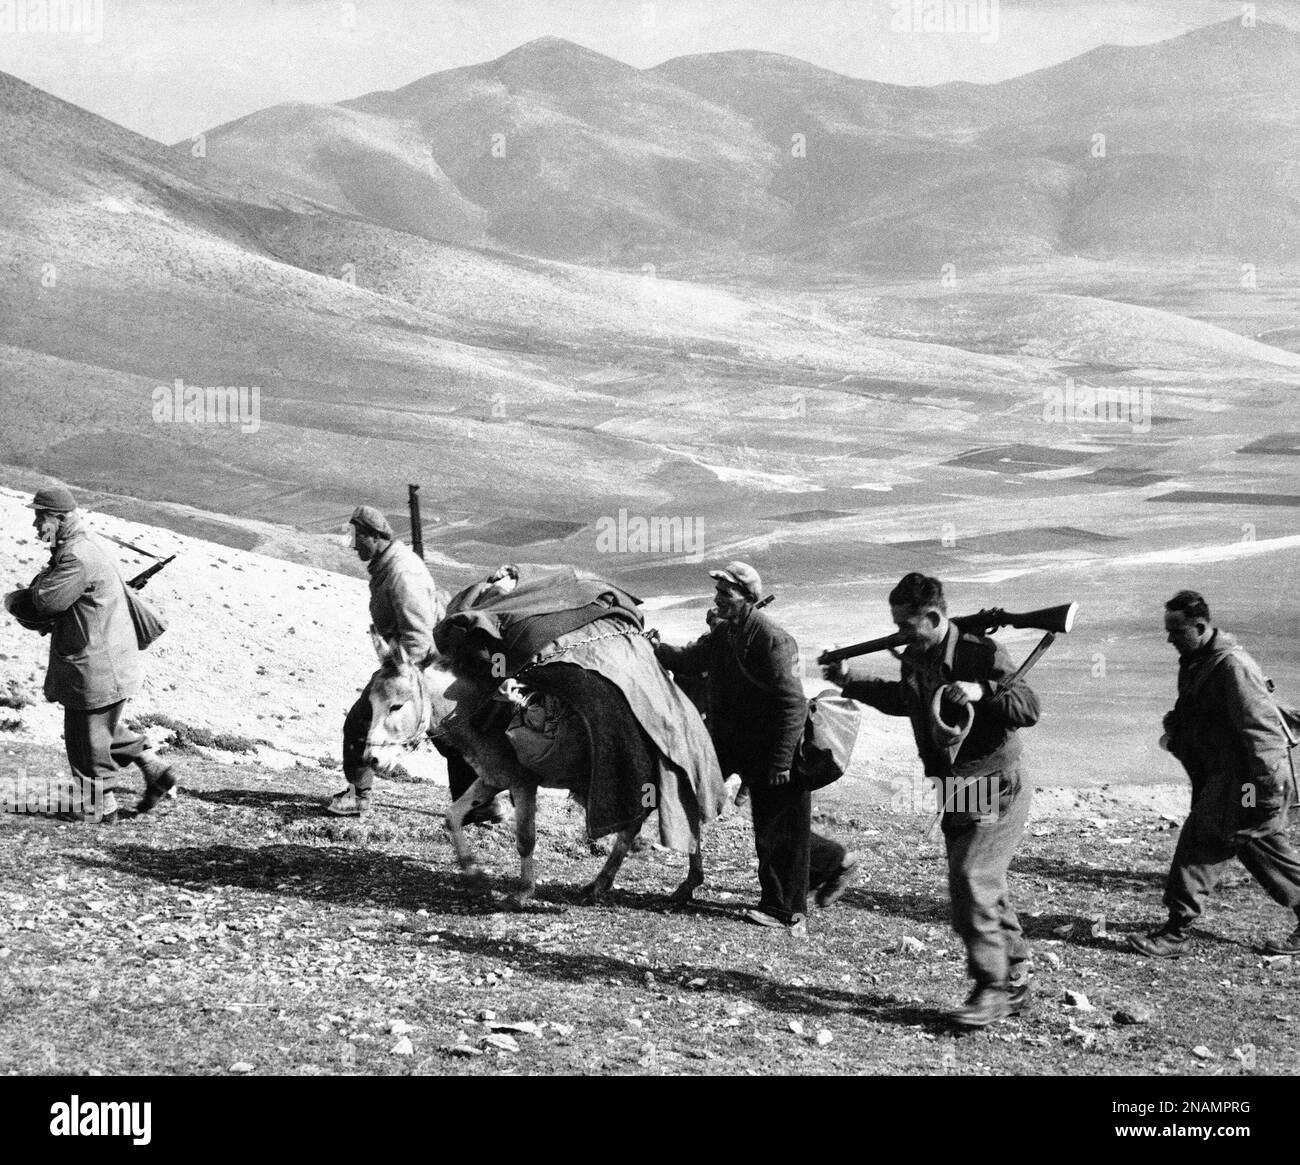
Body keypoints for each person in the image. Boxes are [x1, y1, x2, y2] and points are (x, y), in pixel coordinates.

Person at [823, 572, 1039, 1028]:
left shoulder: (980, 652)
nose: (900, 635)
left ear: (936, 616)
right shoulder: (918, 656)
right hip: (955, 787)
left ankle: (991, 988)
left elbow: (1028, 709)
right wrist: (851, 680)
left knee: (970, 877)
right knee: (983, 882)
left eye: (907, 625)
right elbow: (908, 700)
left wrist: (985, 692)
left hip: (993, 782)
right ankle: (1014, 973)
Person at [655, 561, 857, 931]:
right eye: (717, 592)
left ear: (747, 598)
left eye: (725, 593)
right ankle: (833, 861)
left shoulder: (772, 639)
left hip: (780, 749)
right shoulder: (728, 633)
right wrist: (657, 649)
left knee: (778, 829)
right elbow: (690, 659)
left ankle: (784, 911)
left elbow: (792, 703)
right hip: (749, 746)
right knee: (776, 826)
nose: (717, 599)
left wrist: (780, 762)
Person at [1128, 590, 1300, 958]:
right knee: (1256, 842)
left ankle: (1175, 932)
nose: (1169, 638)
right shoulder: (1197, 660)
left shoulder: (1231, 665)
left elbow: (1262, 730)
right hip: (1232, 778)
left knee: (1203, 841)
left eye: (1176, 630)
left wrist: (1266, 790)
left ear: (1201, 627)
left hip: (1248, 782)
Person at [17, 486, 177, 823]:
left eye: (39, 516)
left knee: (84, 740)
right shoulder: (82, 544)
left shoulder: (76, 556)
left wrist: (26, 594)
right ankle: (154, 767)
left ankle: (101, 809)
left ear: (58, 519)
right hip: (110, 659)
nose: (34, 524)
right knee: (99, 729)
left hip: (95, 663)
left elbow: (46, 602)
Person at [328, 505, 443, 817]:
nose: (353, 545)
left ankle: (358, 795)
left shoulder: (402, 573)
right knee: (452, 740)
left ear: (375, 537)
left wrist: (398, 676)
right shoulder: (387, 565)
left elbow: (419, 637)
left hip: (413, 667)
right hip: (405, 662)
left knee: (359, 722)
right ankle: (483, 804)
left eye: (358, 538)